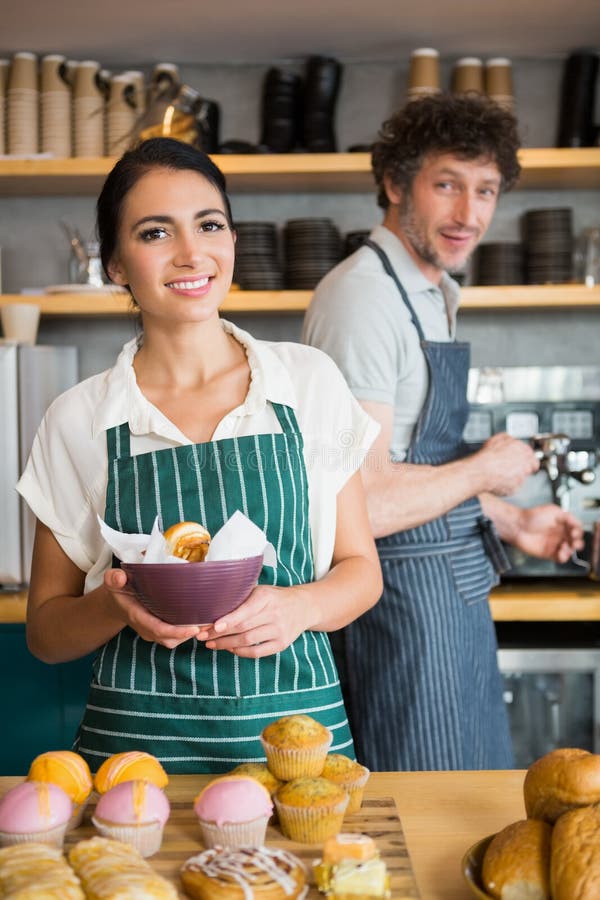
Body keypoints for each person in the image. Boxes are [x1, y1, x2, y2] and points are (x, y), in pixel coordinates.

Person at [18, 137, 383, 774]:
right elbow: (46, 634)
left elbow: (362, 572)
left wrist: (299, 608)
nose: (192, 253)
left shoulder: (307, 381)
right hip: (134, 766)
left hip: (298, 757)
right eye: (156, 232)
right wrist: (116, 607)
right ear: (116, 266)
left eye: (209, 225)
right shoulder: (77, 419)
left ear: (233, 241)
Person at [302, 93, 584, 772]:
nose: (470, 215)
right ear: (396, 183)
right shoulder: (362, 299)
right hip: (399, 615)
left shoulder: (427, 292)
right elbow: (360, 500)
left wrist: (510, 519)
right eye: (447, 185)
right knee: (418, 823)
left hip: (446, 601)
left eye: (485, 190)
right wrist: (484, 469)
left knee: (466, 814)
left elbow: (412, 470)